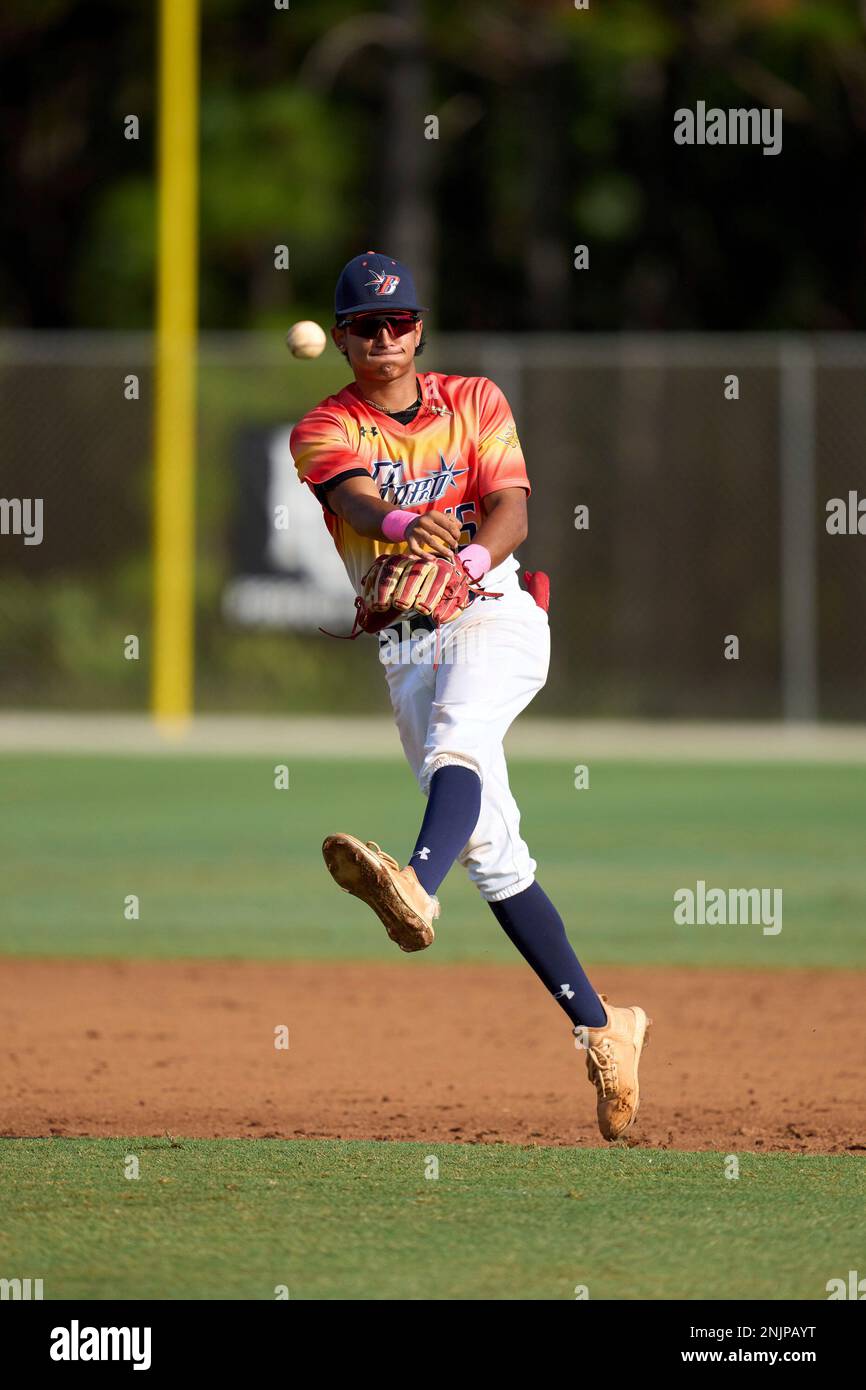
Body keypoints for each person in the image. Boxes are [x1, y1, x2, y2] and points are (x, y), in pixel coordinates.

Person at [290, 251, 650, 1140]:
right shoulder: (324, 425)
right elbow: (365, 505)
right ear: (340, 339)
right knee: (495, 856)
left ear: (420, 327)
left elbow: (513, 510)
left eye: (400, 320)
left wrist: (472, 559)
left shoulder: (475, 399)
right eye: (367, 325)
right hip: (409, 649)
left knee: (458, 743)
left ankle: (414, 886)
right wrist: (415, 526)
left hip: (496, 613)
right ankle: (607, 1030)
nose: (386, 336)